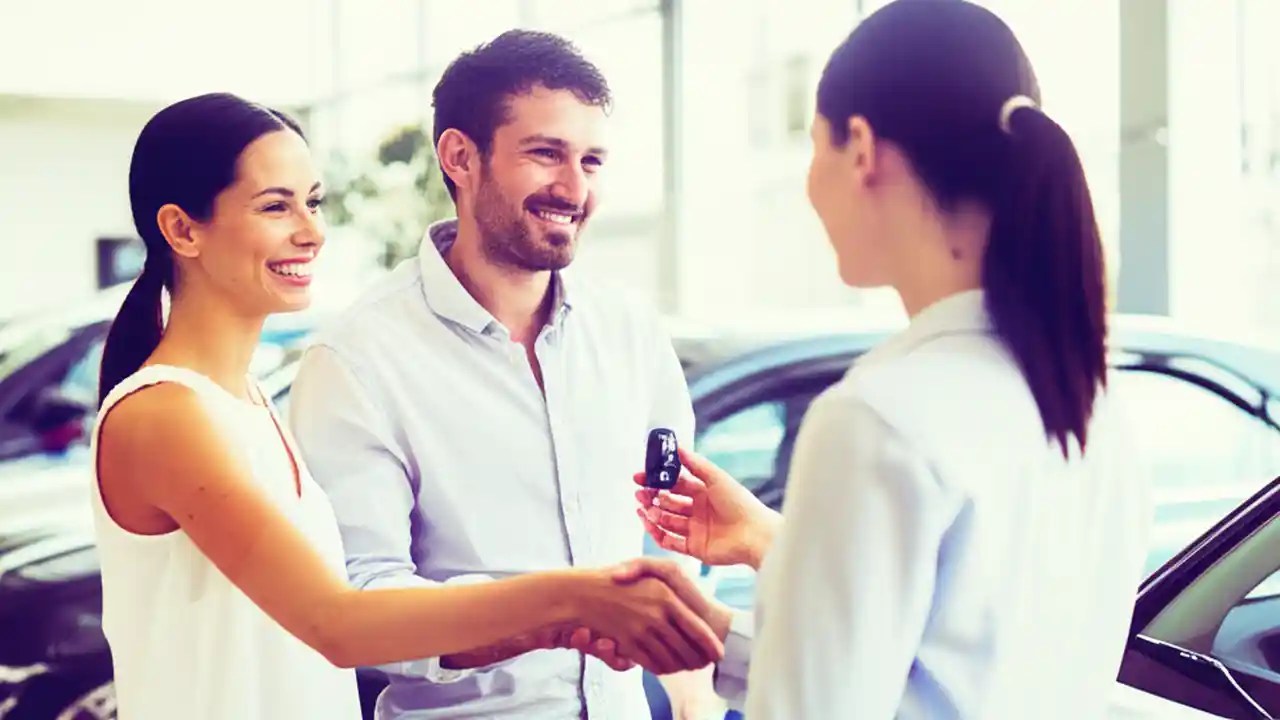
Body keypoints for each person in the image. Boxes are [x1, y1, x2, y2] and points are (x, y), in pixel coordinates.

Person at [90, 92, 721, 720]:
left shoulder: (248, 403)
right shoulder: (166, 415)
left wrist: (553, 627)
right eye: (275, 206)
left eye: (313, 203)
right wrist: (571, 599)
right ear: (182, 230)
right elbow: (338, 623)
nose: (311, 232)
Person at [619, 1, 1151, 717]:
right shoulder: (1094, 407)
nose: (811, 185)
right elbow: (949, 670)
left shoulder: (876, 416)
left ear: (862, 149)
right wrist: (726, 625)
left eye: (814, 146)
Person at [288, 30, 718, 720]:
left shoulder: (630, 331)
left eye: (592, 161)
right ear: (460, 157)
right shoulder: (358, 359)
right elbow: (360, 600)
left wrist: (692, 698)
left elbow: (674, 532)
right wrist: (552, 614)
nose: (575, 189)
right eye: (546, 153)